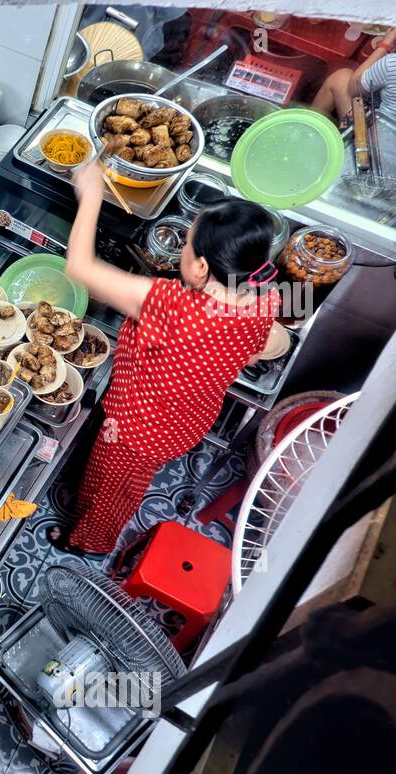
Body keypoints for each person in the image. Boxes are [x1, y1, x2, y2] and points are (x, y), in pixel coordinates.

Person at [59, 162, 279, 554]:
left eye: (188, 244)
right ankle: (89, 515)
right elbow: (270, 344)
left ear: (200, 266)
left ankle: (88, 543)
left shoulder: (169, 304)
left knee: (113, 490)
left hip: (136, 431)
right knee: (121, 479)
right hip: (185, 422)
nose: (183, 249)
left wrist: (91, 194)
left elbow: (79, 267)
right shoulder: (265, 297)